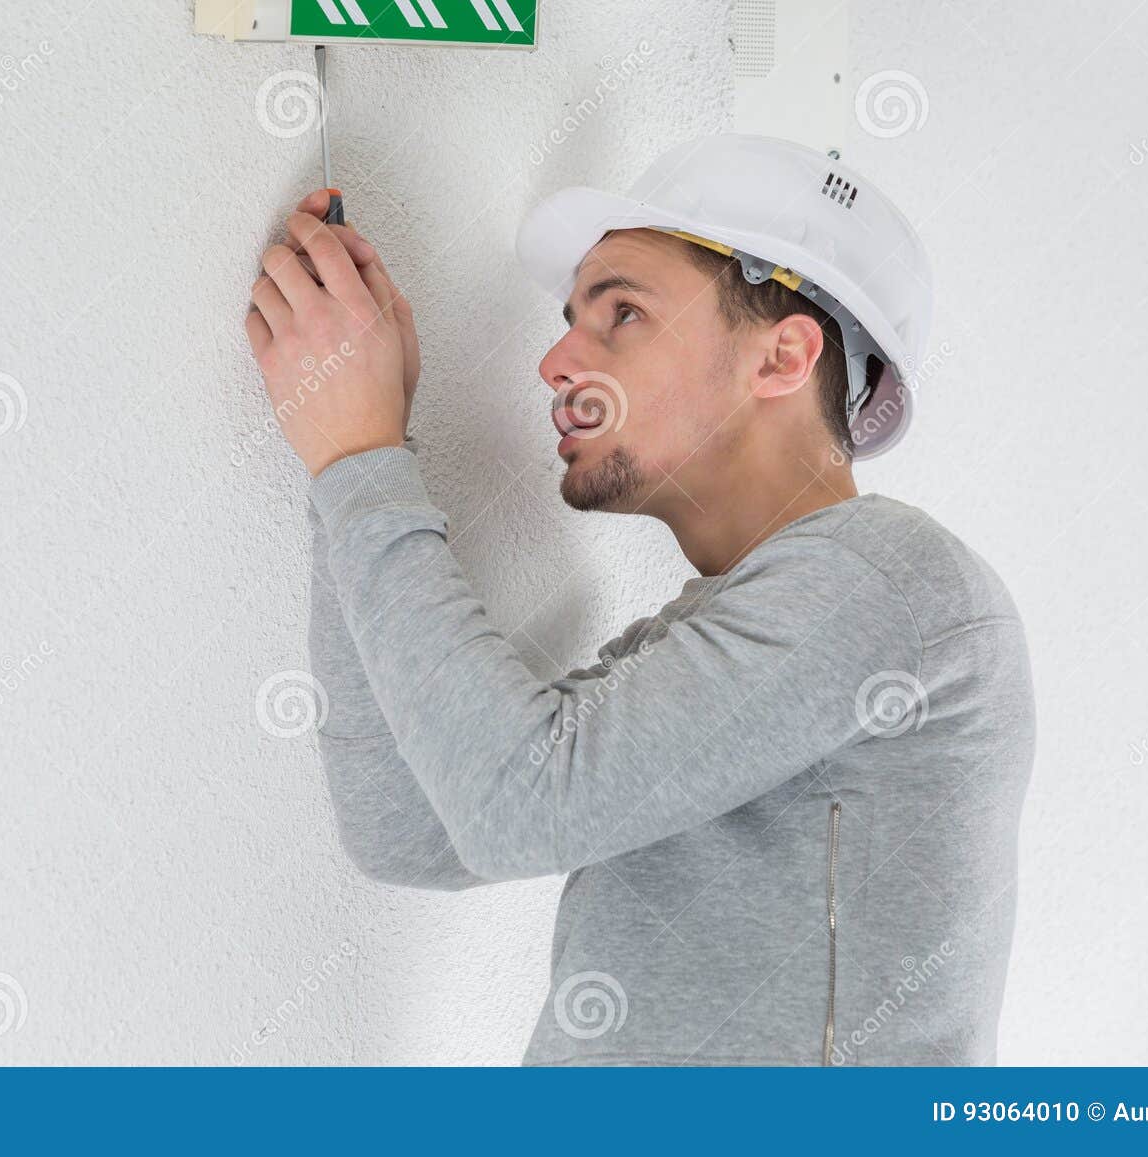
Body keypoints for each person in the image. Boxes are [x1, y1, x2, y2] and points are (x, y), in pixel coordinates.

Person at [243, 132, 1036, 1066]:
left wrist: (361, 457)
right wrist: (348, 466)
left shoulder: (891, 582)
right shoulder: (709, 636)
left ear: (782, 357)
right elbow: (409, 826)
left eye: (621, 311)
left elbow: (520, 808)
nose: (556, 361)